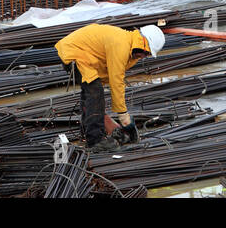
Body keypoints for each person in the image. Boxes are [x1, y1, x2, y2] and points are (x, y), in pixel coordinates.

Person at [54, 23, 166, 153]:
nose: (143, 56)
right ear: (142, 43)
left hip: (83, 55)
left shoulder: (128, 44)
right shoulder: (121, 44)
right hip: (75, 53)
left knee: (92, 94)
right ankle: (95, 141)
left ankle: (88, 133)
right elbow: (116, 80)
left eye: (147, 55)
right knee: (95, 93)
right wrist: (123, 115)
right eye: (145, 52)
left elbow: (109, 73)